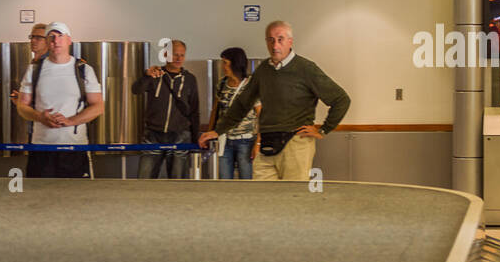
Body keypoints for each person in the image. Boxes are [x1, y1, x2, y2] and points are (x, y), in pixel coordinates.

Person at [198, 21, 349, 181]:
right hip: (267, 144)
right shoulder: (263, 70)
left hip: (296, 143)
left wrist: (323, 130)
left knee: (293, 197)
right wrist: (217, 130)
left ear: (290, 41)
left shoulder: (306, 68)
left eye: (280, 39)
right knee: (263, 198)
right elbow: (242, 104)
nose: (275, 45)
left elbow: (341, 99)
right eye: (270, 39)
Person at [15, 22, 104, 178]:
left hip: (74, 148)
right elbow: (22, 106)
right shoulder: (34, 69)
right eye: (51, 37)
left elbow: (98, 106)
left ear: (69, 40)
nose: (56, 41)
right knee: (38, 199)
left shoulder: (83, 70)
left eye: (60, 36)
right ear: (47, 42)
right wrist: (40, 117)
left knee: (76, 198)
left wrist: (71, 121)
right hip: (42, 148)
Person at [132, 39, 201, 179]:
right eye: (175, 54)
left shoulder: (189, 79)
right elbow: (136, 90)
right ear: (165, 54)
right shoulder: (155, 75)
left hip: (180, 135)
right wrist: (146, 75)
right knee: (144, 179)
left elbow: (194, 109)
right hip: (153, 134)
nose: (178, 58)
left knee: (178, 181)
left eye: (182, 55)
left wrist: (195, 139)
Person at [209, 46, 260, 179]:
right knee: (224, 180)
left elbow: (261, 115)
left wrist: (258, 143)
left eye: (225, 63)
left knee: (246, 180)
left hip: (246, 141)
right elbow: (215, 111)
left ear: (235, 64)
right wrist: (210, 133)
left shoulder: (251, 85)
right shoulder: (222, 84)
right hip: (224, 140)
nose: (222, 66)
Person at [10, 23, 48, 105]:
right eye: (32, 37)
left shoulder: (48, 65)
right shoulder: (34, 62)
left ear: (48, 41)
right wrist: (22, 97)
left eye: (38, 38)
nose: (33, 40)